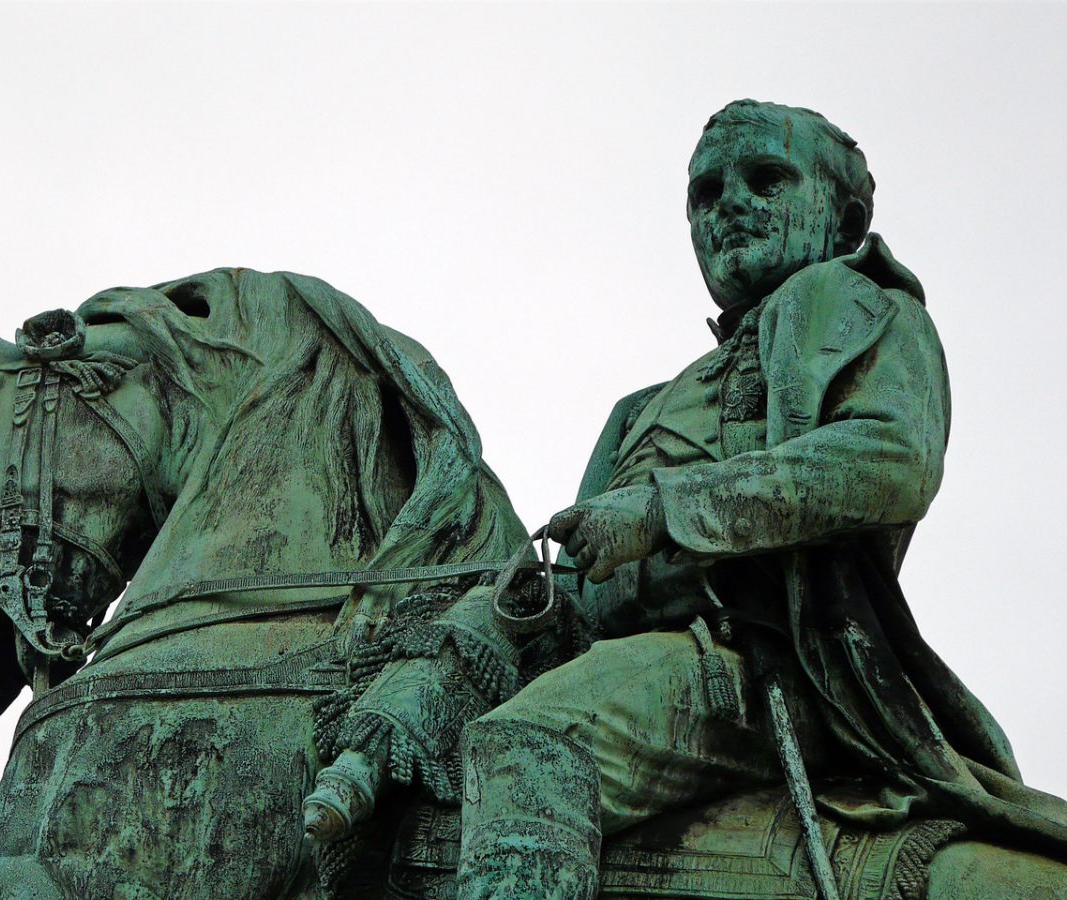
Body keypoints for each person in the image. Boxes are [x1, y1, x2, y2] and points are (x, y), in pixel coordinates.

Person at [456, 99, 1067, 899]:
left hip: (764, 665)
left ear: (844, 222)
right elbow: (576, 590)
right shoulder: (635, 411)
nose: (731, 204)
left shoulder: (869, 312)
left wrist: (660, 511)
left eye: (766, 178)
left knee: (534, 742)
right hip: (624, 665)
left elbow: (892, 459)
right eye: (706, 194)